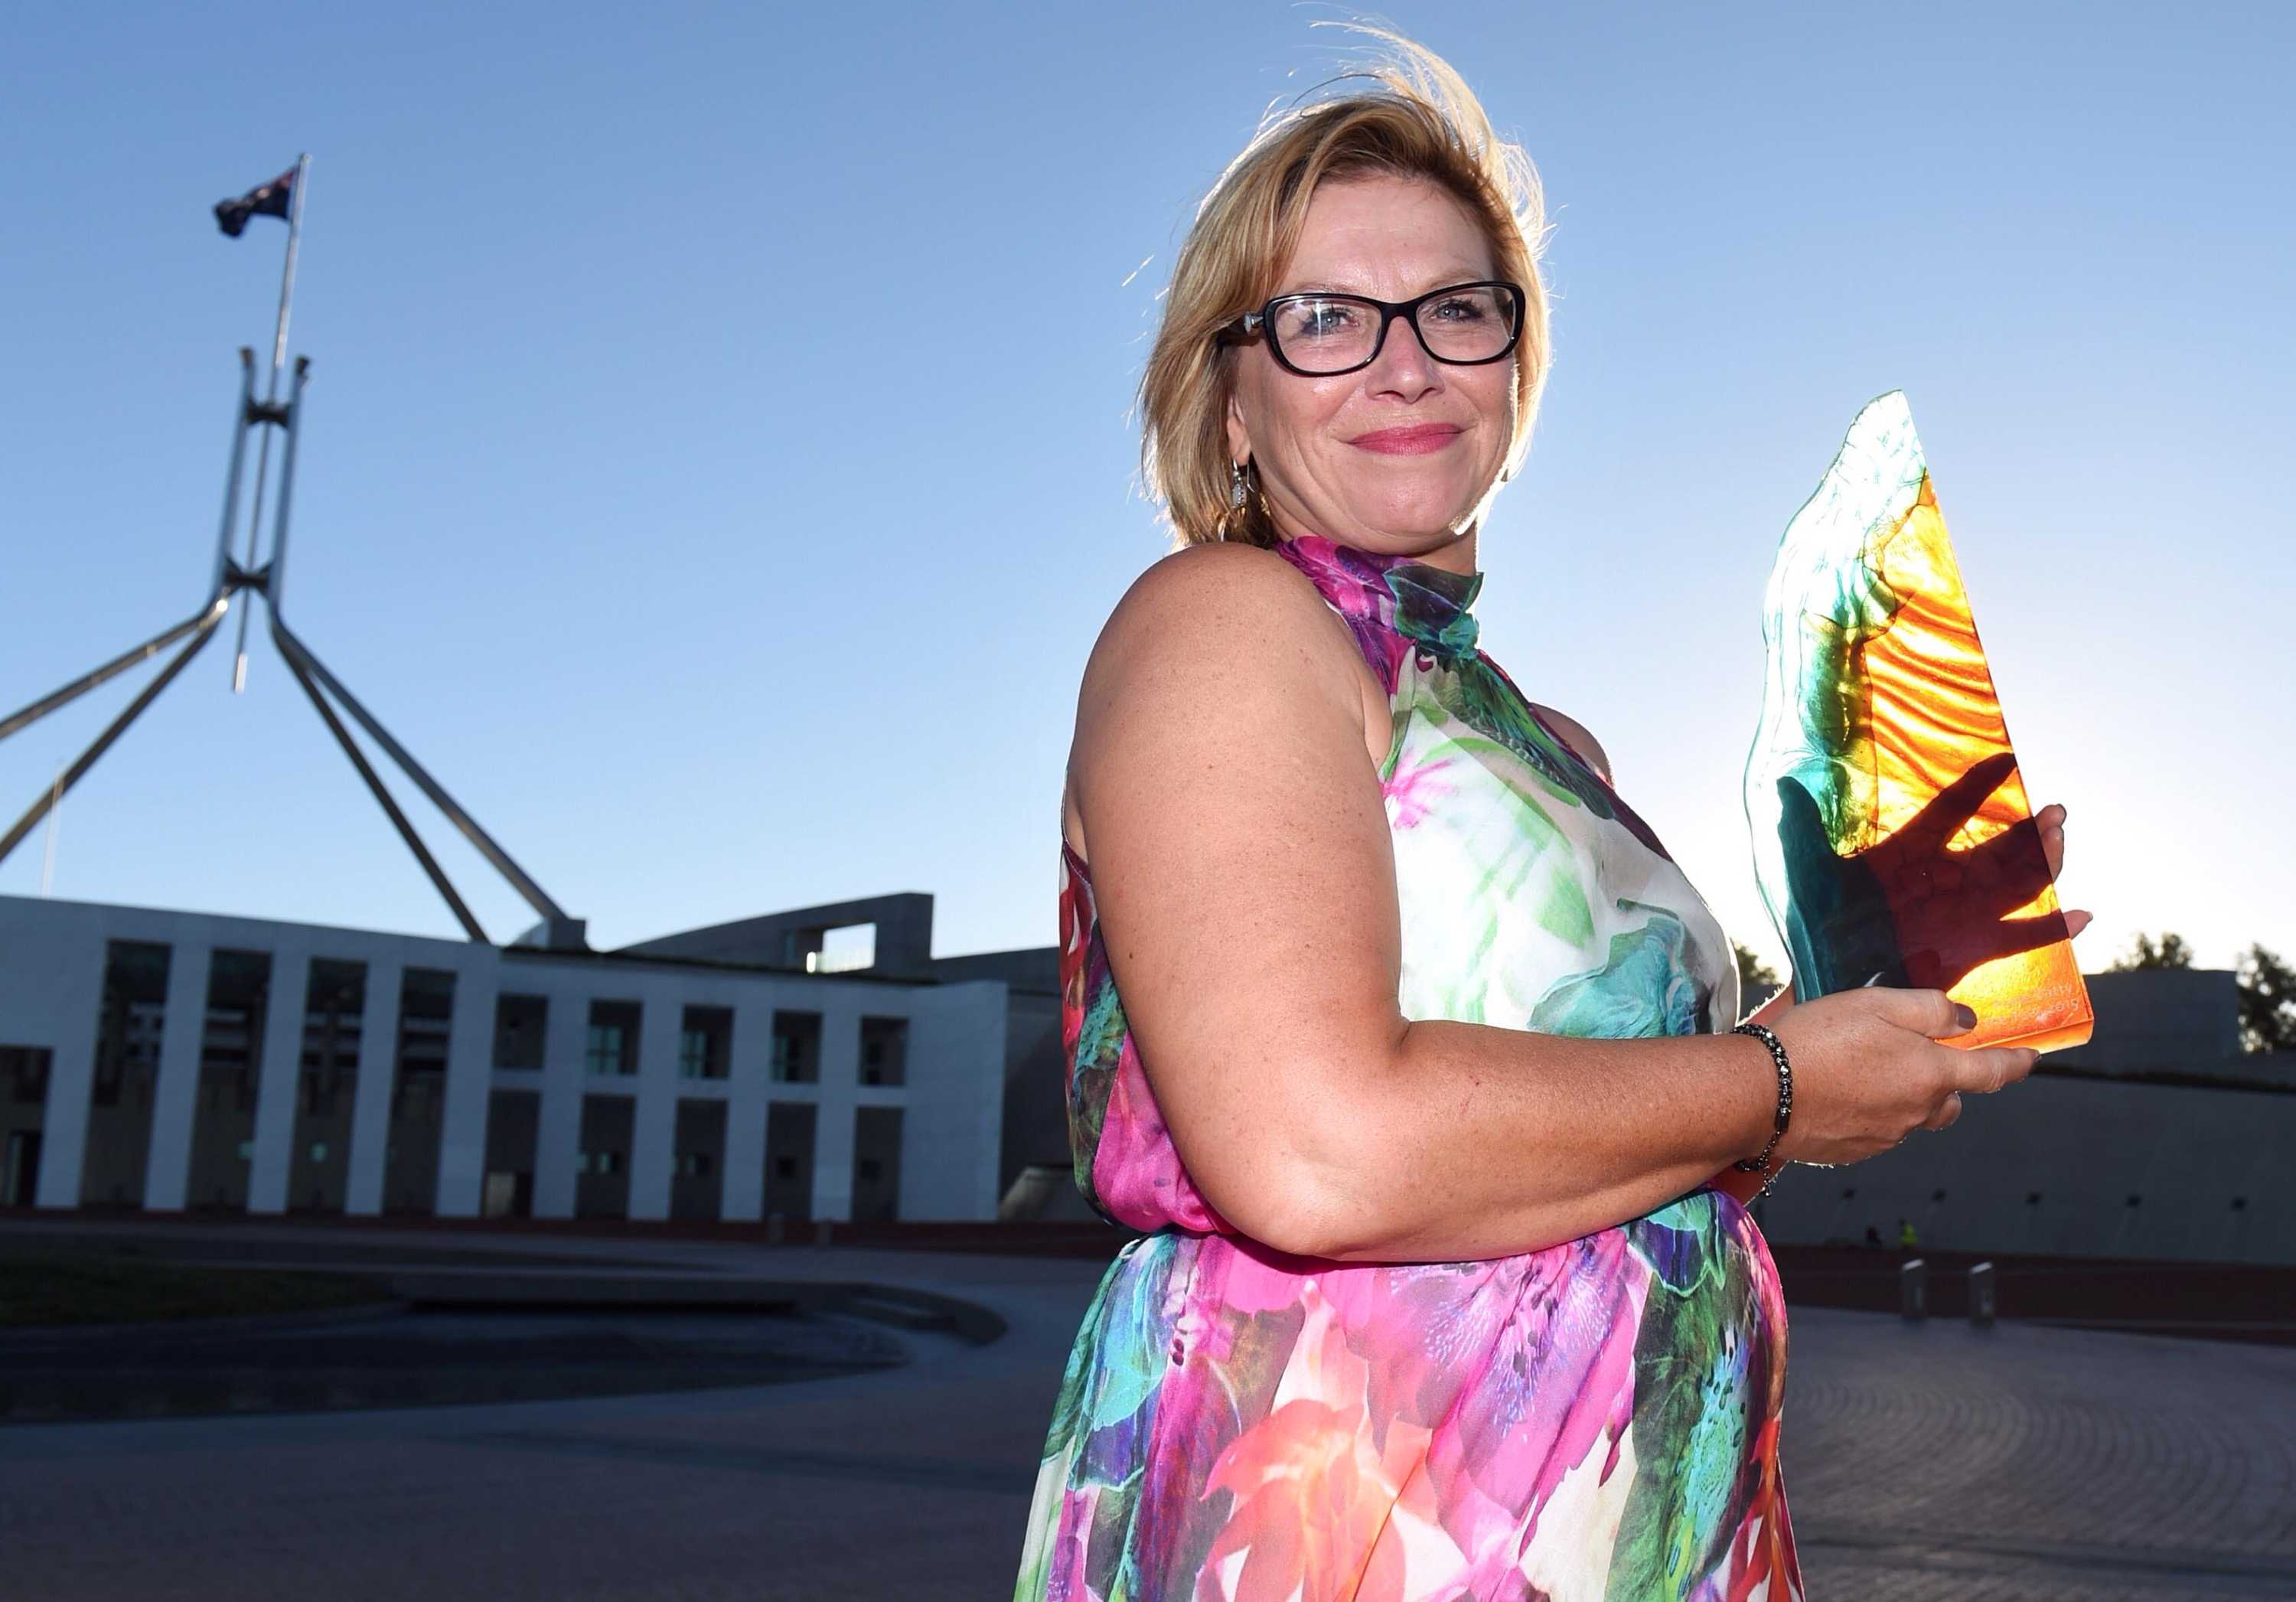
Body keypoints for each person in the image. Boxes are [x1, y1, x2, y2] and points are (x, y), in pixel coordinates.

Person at [1013, 34, 2082, 1602]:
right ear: (1228, 400)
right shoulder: (1223, 625)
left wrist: (1868, 995)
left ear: (1515, 370)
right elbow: (1312, 1151)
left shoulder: (1547, 742)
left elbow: (1618, 1146)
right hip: (1356, 1533)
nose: (1405, 363)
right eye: (1324, 318)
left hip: (1637, 1526)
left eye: (1458, 307)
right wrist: (1782, 1083)